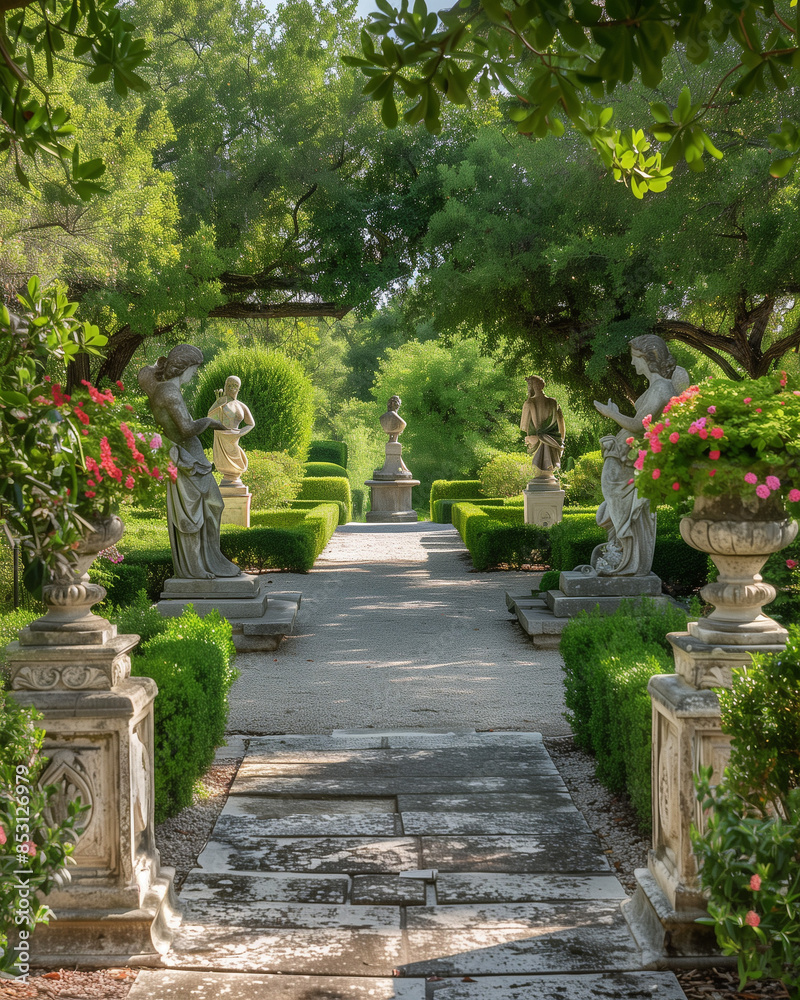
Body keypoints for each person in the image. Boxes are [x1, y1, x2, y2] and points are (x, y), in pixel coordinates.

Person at [138, 345, 242, 580]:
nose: (194, 374)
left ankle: (210, 560)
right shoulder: (169, 393)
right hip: (187, 462)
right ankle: (195, 567)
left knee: (212, 507)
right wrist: (210, 422)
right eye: (194, 369)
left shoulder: (167, 391)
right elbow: (185, 429)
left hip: (194, 460)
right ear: (183, 367)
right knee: (193, 514)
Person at [591, 335, 689, 577]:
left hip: (632, 461)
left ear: (648, 358)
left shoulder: (661, 388)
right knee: (617, 510)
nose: (633, 364)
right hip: (626, 456)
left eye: (635, 358)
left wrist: (609, 413)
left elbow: (637, 425)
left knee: (623, 511)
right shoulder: (654, 387)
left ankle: (626, 561)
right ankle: (618, 554)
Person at [207, 376, 255, 487]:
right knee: (223, 465)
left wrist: (239, 432)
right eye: (230, 385)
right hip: (222, 436)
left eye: (235, 386)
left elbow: (251, 424)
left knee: (238, 464)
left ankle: (234, 480)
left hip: (234, 439)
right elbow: (210, 417)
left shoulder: (241, 406)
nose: (232, 388)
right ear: (225, 386)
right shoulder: (221, 402)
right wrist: (218, 403)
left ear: (239, 388)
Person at [520, 375, 566, 481]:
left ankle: (545, 475)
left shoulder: (550, 402)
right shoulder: (531, 403)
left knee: (543, 469)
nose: (536, 386)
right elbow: (526, 426)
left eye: (536, 384)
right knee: (542, 468)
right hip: (548, 439)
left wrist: (561, 438)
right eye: (534, 384)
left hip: (547, 438)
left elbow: (560, 422)